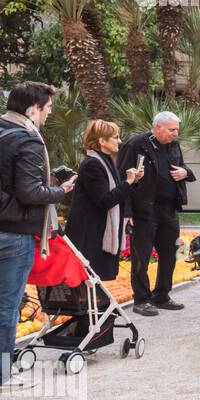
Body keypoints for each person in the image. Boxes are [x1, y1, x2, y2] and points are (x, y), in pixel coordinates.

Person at [0, 82, 77, 390]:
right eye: (47, 108)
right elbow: (30, 192)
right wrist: (61, 190)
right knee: (5, 305)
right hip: (14, 233)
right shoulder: (27, 140)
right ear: (33, 109)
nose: (49, 114)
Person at [117, 111, 195, 317]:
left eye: (176, 129)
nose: (175, 133)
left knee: (169, 254)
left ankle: (162, 295)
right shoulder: (136, 144)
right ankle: (141, 299)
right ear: (157, 127)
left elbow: (183, 167)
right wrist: (127, 211)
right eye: (171, 130)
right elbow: (122, 178)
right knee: (141, 257)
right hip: (144, 209)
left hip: (169, 209)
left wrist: (185, 173)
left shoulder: (173, 145)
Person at [65, 120, 144, 283]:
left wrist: (133, 181)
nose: (120, 141)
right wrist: (128, 182)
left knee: (96, 281)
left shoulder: (105, 161)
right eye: (115, 137)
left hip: (97, 232)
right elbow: (106, 200)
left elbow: (115, 194)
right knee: (90, 280)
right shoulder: (93, 164)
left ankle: (98, 308)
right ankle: (94, 309)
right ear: (102, 141)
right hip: (91, 235)